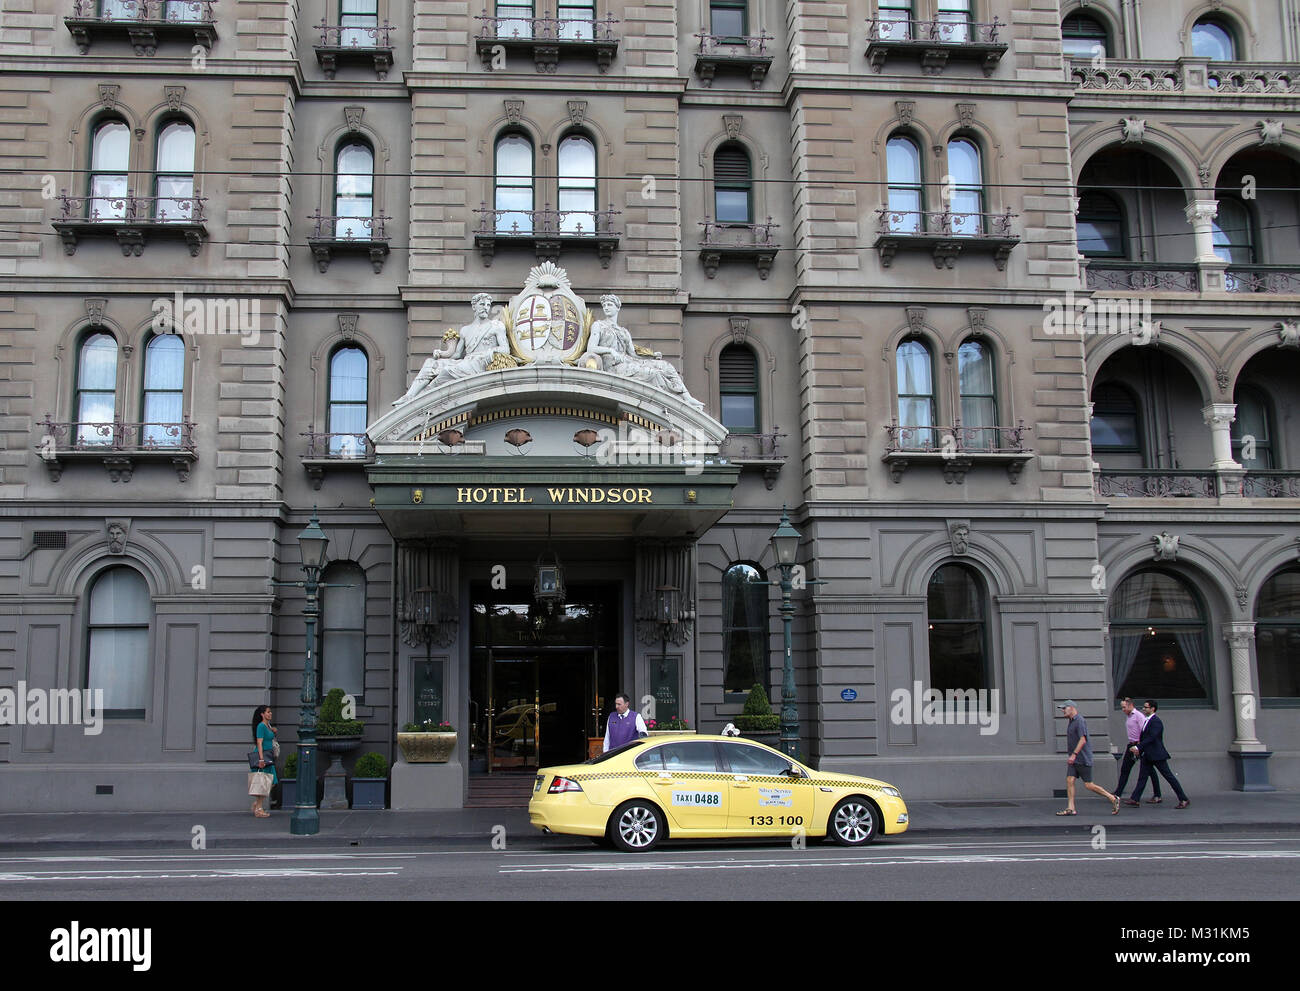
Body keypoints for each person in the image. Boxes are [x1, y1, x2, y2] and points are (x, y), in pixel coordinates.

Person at [392, 293, 509, 405]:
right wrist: (442, 354)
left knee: (446, 371)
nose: (486, 308)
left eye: (488, 305)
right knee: (430, 364)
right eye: (482, 304)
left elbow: (505, 349)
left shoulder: (496, 326)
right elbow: (457, 354)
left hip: (481, 363)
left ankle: (423, 398)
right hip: (467, 361)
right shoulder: (465, 330)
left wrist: (489, 352)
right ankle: (409, 397)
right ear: (474, 306)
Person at [1056, 700, 1120, 816]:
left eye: (1064, 708)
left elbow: (1083, 739)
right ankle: (1071, 808)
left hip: (1082, 758)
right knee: (1070, 780)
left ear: (1071, 708)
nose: (1062, 711)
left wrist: (1074, 754)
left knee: (1088, 785)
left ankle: (1112, 798)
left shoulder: (1079, 721)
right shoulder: (1071, 721)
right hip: (1074, 759)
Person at [1127, 700, 1190, 809]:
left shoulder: (1156, 721)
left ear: (1153, 709)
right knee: (1142, 777)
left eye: (1146, 707)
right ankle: (1135, 799)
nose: (1144, 709)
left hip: (1157, 755)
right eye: (1144, 707)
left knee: (1168, 776)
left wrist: (1138, 747)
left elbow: (1151, 738)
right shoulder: (1148, 720)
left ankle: (1183, 798)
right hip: (1148, 754)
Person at [1115, 696, 1161, 804]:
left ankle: (1157, 794)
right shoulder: (1129, 716)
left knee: (1149, 770)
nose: (1123, 710)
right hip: (1131, 745)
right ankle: (1118, 793)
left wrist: (1140, 747)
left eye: (1124, 707)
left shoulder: (1138, 716)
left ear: (1131, 705)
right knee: (1125, 769)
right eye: (1122, 707)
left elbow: (1144, 731)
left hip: (1139, 745)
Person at [250, 704, 277, 818]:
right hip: (263, 756)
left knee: (272, 781)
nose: (270, 714)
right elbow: (259, 742)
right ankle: (259, 808)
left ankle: (257, 804)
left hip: (268, 756)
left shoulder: (267, 725)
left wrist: (273, 731)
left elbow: (269, 736)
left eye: (270, 712)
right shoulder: (261, 726)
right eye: (268, 712)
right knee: (263, 783)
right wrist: (261, 759)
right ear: (262, 714)